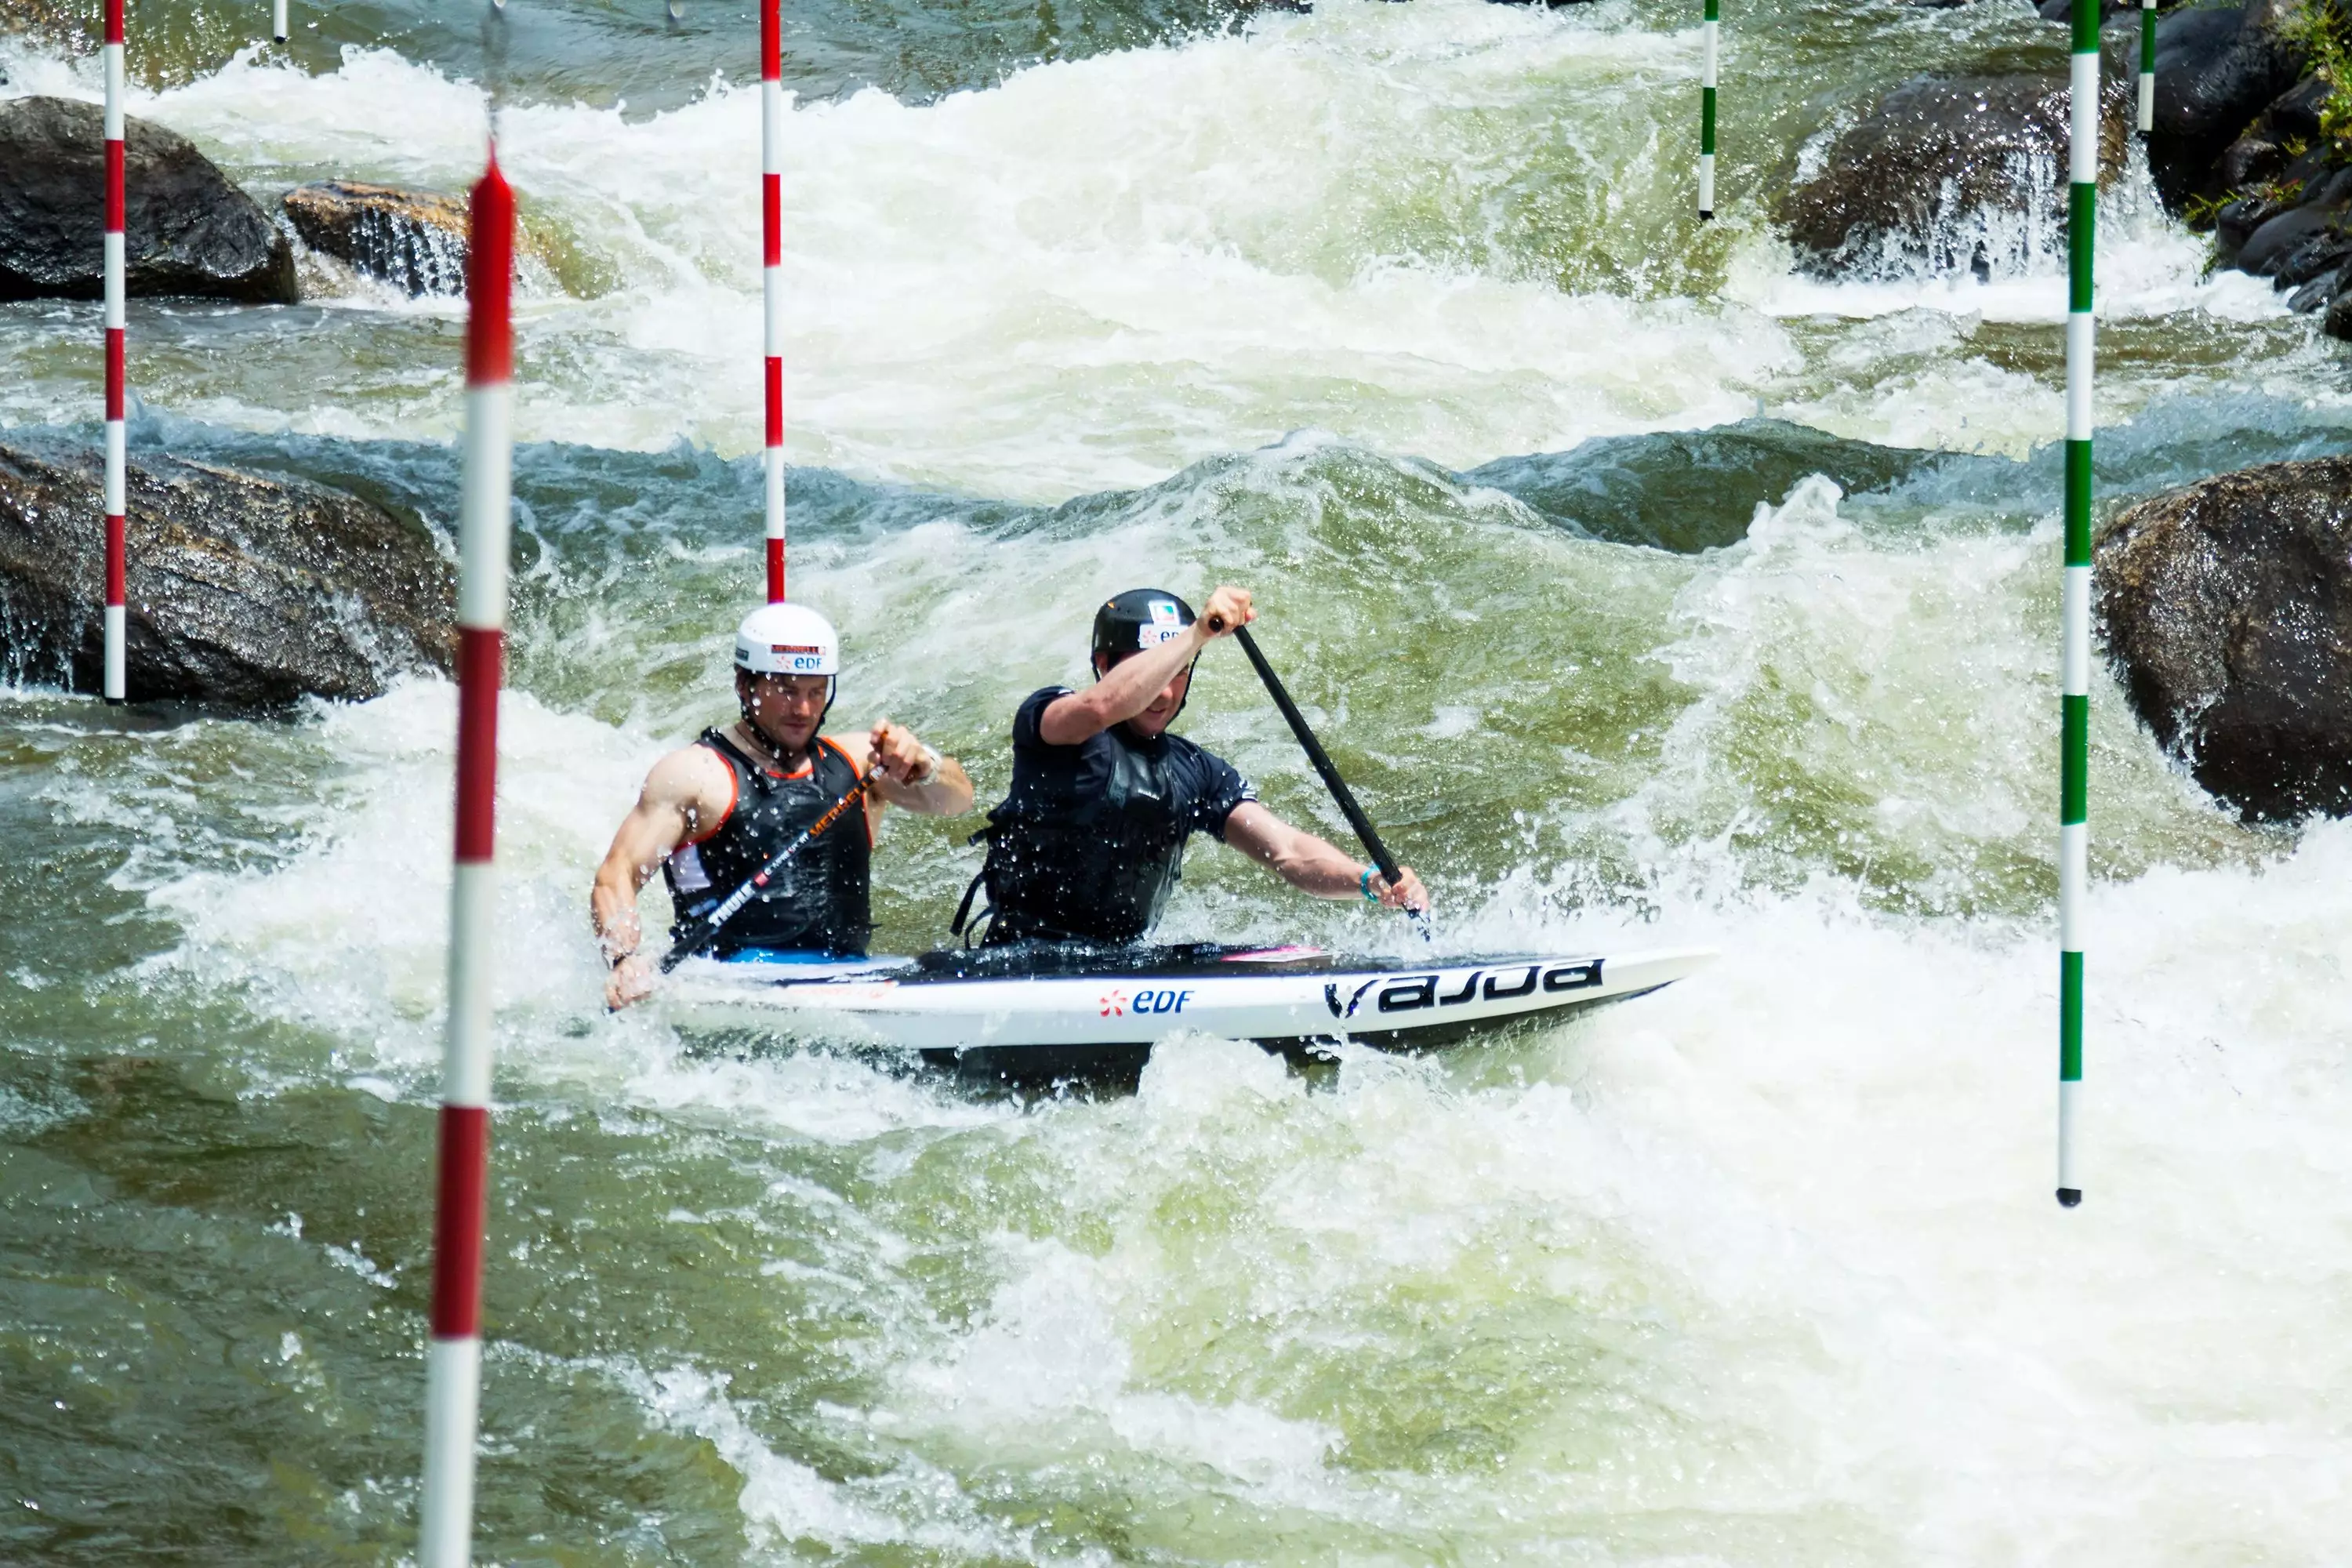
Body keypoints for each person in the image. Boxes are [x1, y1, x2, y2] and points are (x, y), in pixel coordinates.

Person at [954, 584, 1426, 946]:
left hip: (1123, 963)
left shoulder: (1195, 771)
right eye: (1154, 669)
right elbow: (1103, 706)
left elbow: (1289, 852)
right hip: (1024, 958)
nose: (1164, 692)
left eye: (1179, 672)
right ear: (1103, 662)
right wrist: (1197, 634)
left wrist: (1368, 881)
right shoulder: (1055, 724)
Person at [593, 602, 973, 1008]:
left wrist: (923, 765)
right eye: (787, 690)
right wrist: (625, 959)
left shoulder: (864, 759)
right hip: (731, 981)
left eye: (815, 692)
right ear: (745, 685)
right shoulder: (695, 775)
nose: (804, 709)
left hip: (848, 973)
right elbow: (617, 875)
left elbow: (956, 801)